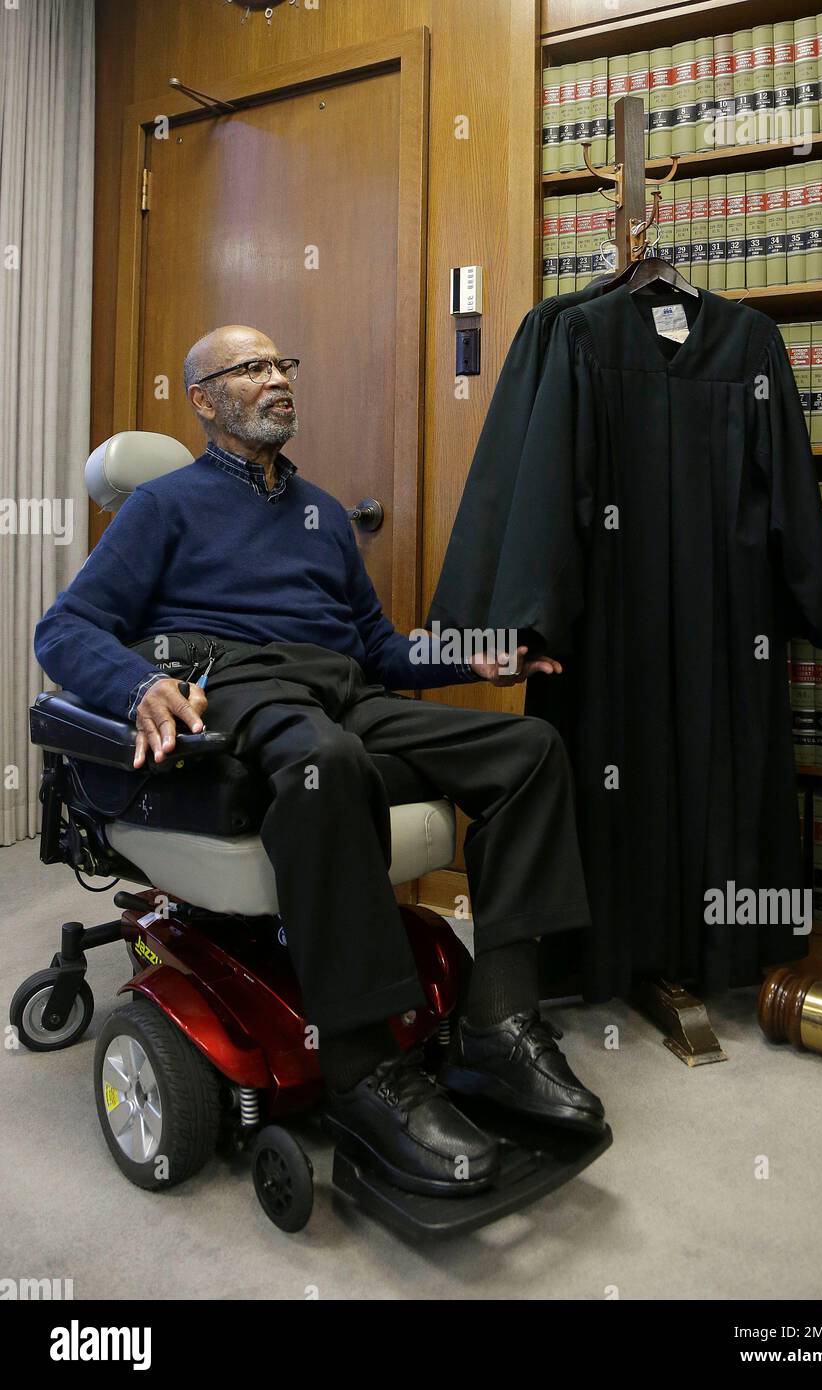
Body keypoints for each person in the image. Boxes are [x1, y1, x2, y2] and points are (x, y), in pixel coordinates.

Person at [34, 324, 604, 1198]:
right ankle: (365, 1072)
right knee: (324, 762)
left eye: (282, 364)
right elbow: (64, 629)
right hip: (237, 686)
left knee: (527, 748)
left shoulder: (324, 515)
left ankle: (498, 1026)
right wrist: (138, 685)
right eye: (251, 368)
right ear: (204, 399)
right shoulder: (162, 507)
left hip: (342, 689)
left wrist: (481, 653)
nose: (276, 379)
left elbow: (377, 650)